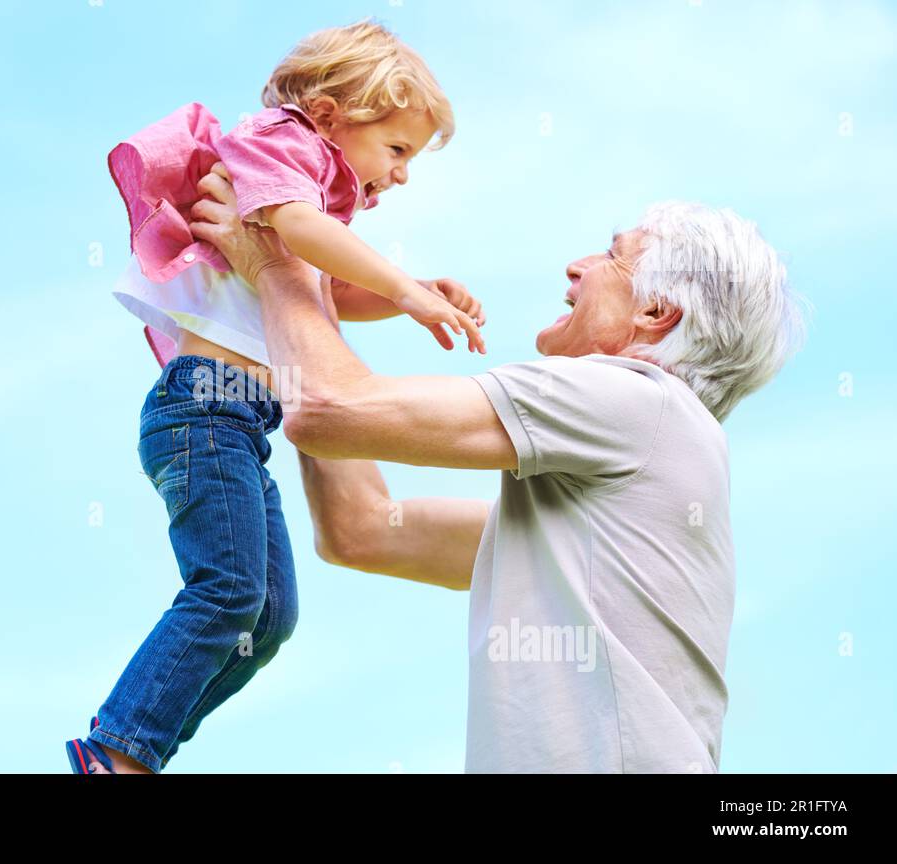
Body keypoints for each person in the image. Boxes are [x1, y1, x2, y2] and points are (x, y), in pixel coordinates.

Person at [188, 165, 807, 773]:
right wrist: (297, 293)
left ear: (655, 314)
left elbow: (329, 411)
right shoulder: (598, 508)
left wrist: (278, 266)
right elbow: (363, 528)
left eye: (611, 258)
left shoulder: (638, 399)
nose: (578, 266)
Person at [68, 20, 482, 774]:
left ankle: (138, 747)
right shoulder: (278, 144)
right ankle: (116, 752)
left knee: (270, 617)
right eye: (396, 150)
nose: (403, 174)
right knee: (228, 590)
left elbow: (322, 286)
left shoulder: (314, 198)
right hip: (204, 407)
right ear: (330, 118)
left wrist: (410, 292)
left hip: (240, 422)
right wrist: (407, 292)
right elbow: (296, 230)